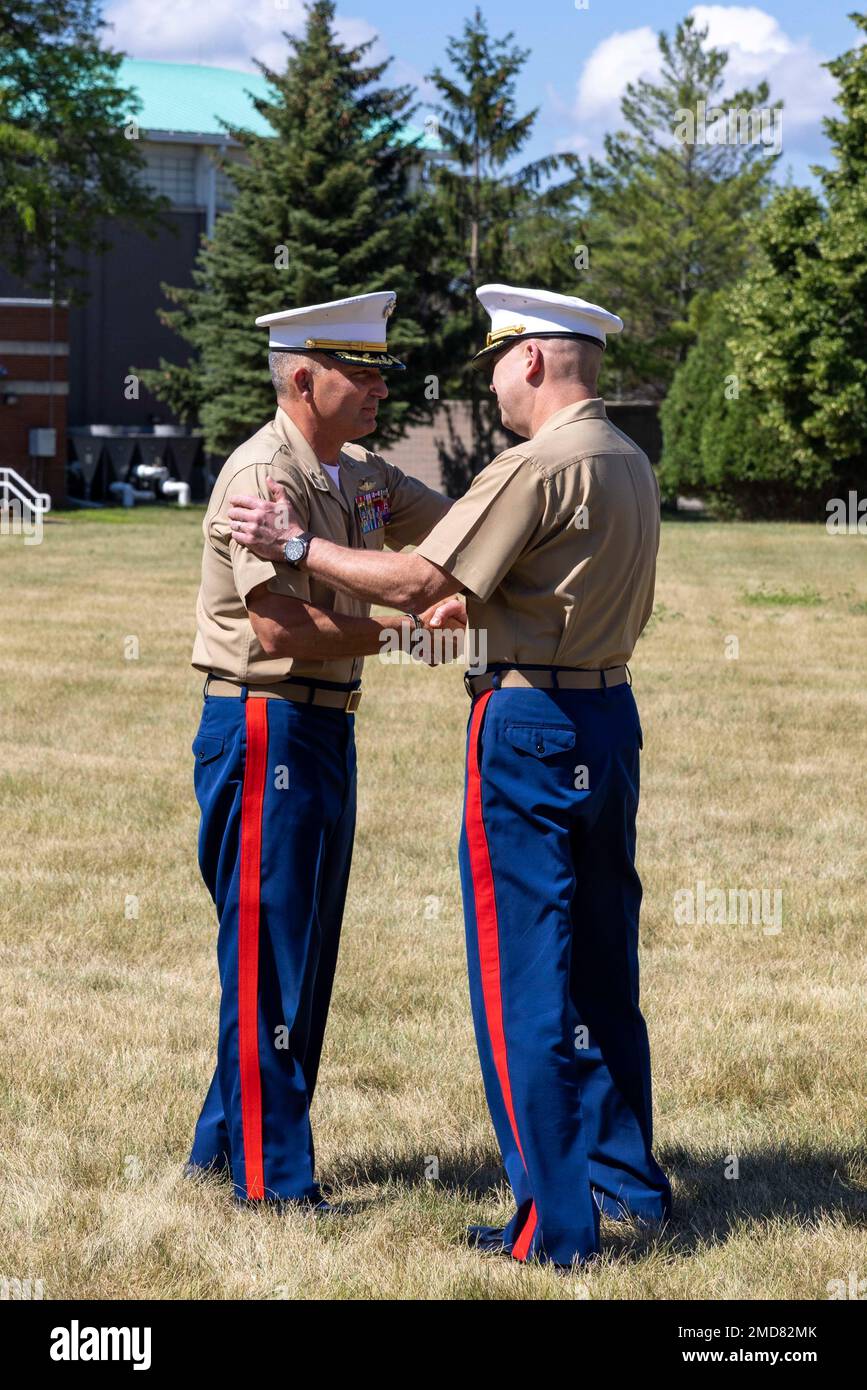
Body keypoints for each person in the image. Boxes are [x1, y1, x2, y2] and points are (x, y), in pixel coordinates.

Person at [229, 283, 672, 1266]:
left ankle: (549, 1225)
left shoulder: (536, 462)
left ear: (530, 362)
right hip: (607, 712)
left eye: (493, 363)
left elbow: (425, 581)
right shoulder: (625, 459)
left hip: (528, 721)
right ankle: (626, 1181)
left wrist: (298, 543)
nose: (490, 384)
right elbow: (479, 553)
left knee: (524, 975)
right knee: (604, 967)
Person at [188, 290, 460, 1207]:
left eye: (382, 369)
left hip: (319, 725)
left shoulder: (359, 474)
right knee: (272, 956)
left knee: (296, 950)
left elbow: (459, 528)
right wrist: (403, 629)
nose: (382, 387)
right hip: (268, 723)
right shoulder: (262, 475)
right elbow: (277, 629)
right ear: (302, 377)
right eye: (362, 371)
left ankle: (222, 1148)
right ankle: (269, 1181)